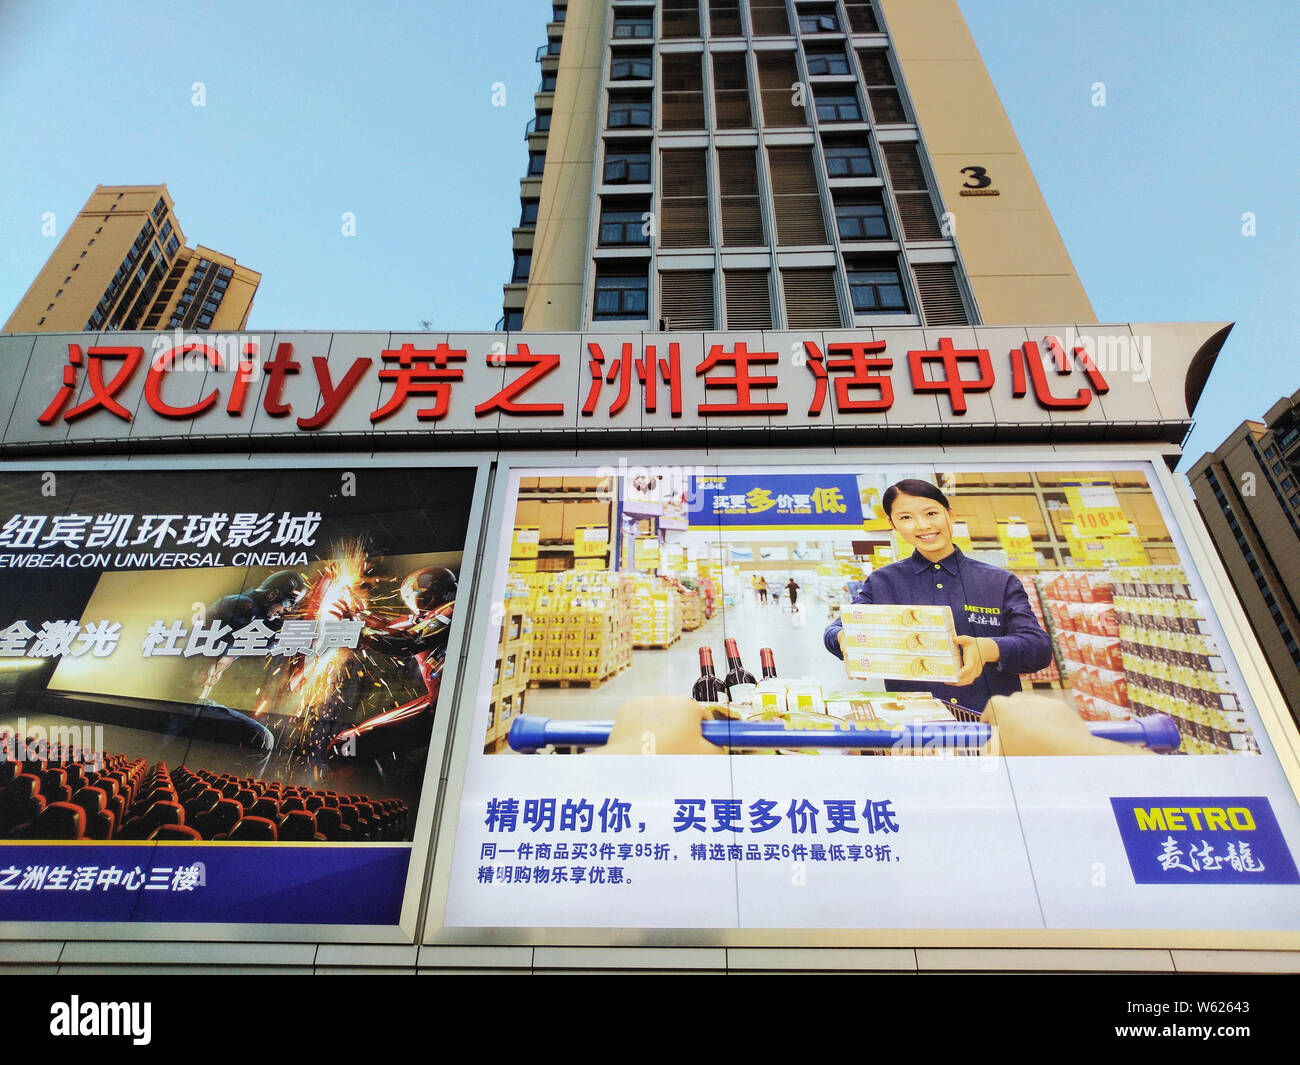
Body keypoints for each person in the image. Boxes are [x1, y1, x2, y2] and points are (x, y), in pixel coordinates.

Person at [823, 478, 1053, 715]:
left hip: (991, 725)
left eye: (931, 513)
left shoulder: (998, 581)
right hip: (916, 727)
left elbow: (1038, 647)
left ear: (950, 514)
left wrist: (989, 647)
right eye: (905, 518)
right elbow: (835, 630)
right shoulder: (882, 582)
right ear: (893, 525)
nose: (922, 525)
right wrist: (843, 638)